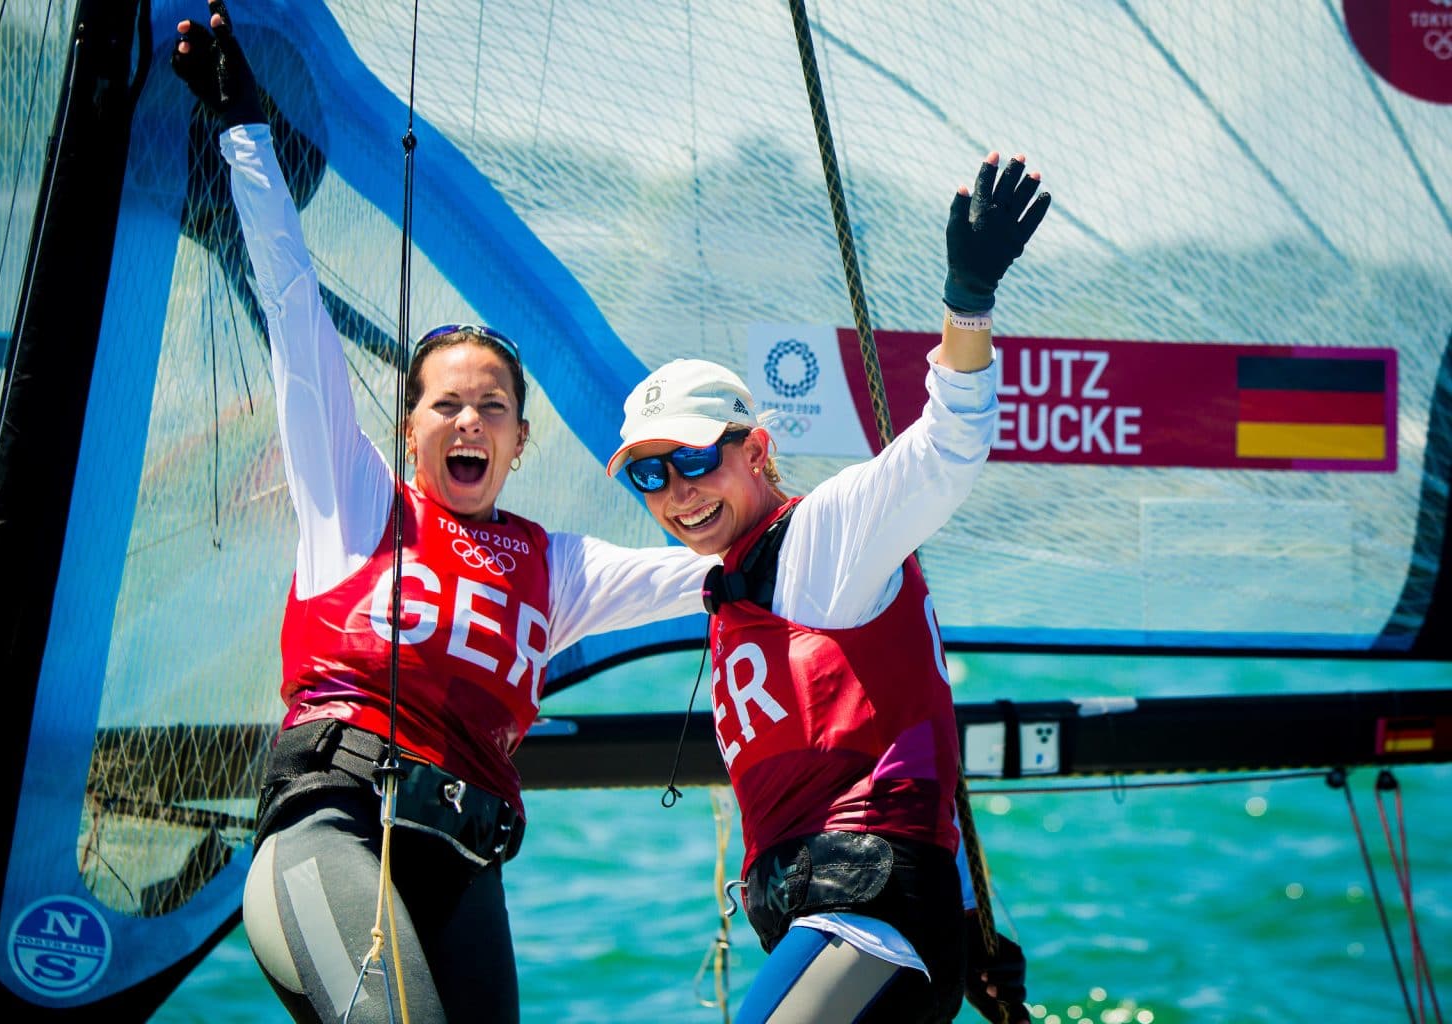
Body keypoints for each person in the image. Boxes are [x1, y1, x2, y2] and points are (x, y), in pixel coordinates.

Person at [171, 5, 714, 1023]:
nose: (469, 419)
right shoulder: (355, 503)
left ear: (517, 442)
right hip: (330, 833)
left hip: (464, 869)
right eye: (446, 403)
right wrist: (243, 128)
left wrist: (860, 518)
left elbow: (733, 568)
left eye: (493, 407)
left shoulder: (560, 568)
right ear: (409, 428)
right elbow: (294, 315)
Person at [606, 152, 1049, 1022]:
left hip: (870, 923)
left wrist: (967, 300)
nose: (680, 490)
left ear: (758, 450)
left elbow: (946, 446)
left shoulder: (827, 533)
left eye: (698, 459)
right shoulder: (725, 581)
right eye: (650, 477)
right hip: (853, 922)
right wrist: (967, 925)